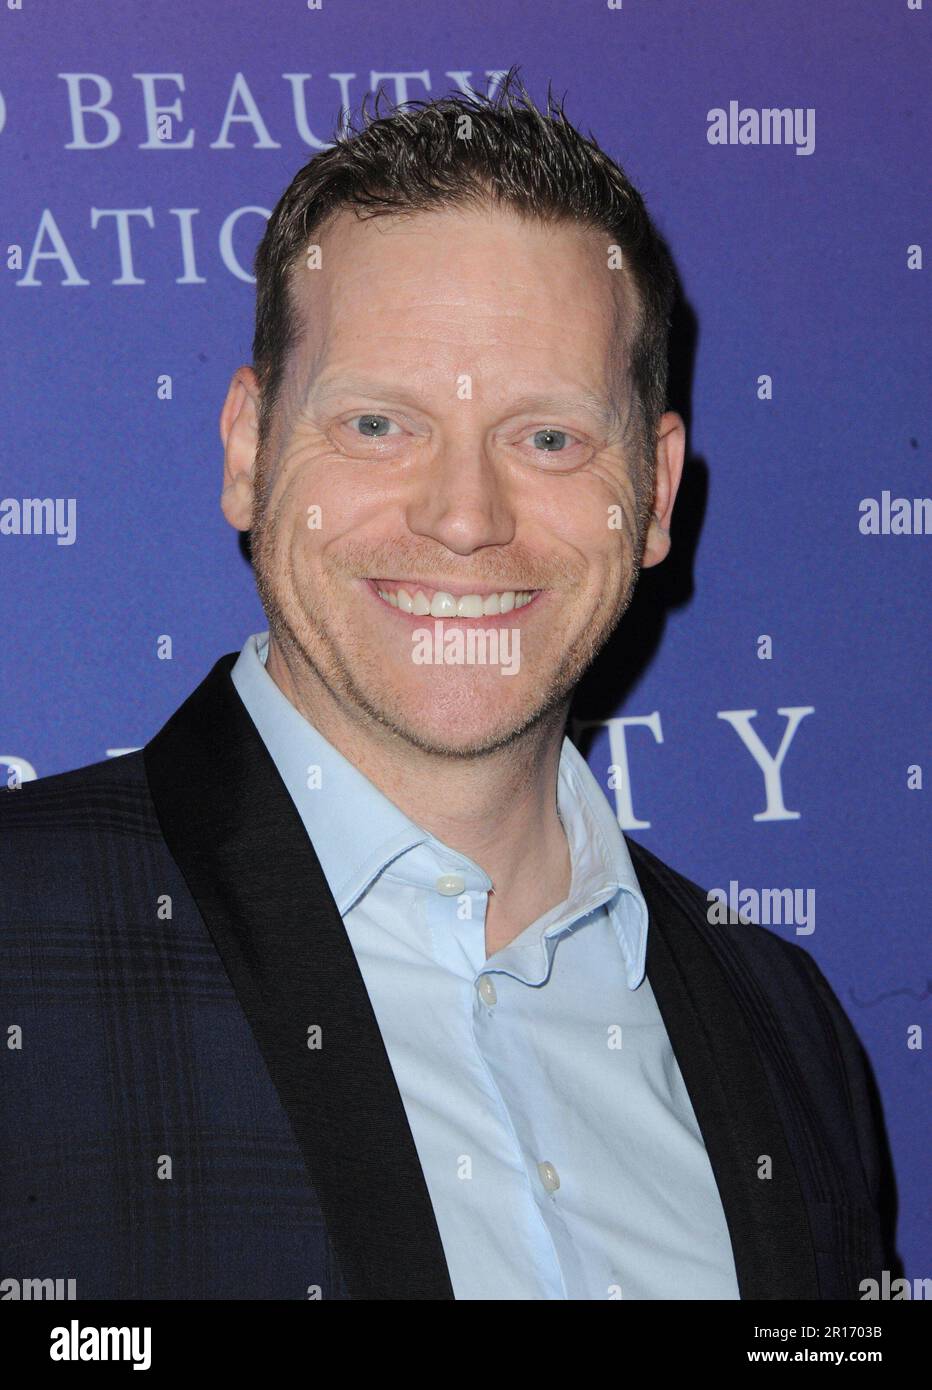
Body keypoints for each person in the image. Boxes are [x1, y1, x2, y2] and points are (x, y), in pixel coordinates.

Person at [0, 70, 896, 1300]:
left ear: (654, 493)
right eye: (378, 424)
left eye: (547, 438)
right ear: (250, 453)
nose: (464, 518)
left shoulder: (781, 1022)